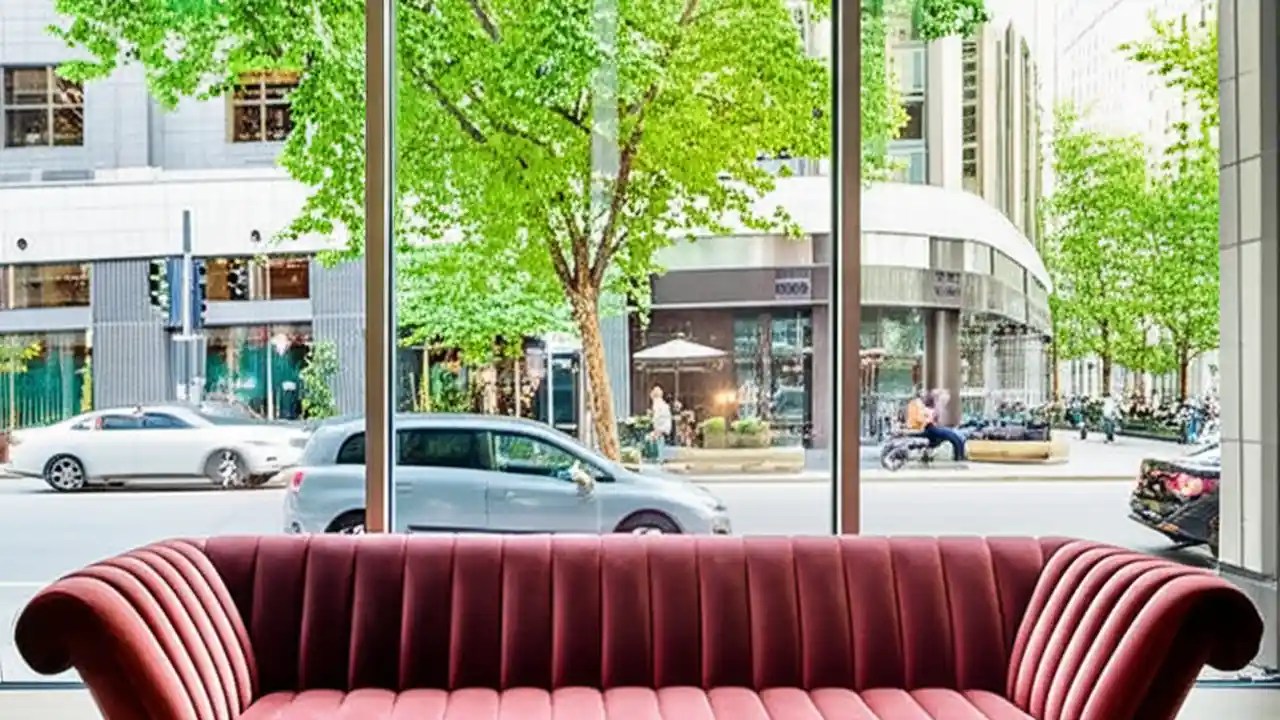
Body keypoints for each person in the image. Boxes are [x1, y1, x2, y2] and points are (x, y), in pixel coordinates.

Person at [921, 391, 966, 460]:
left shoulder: (935, 409)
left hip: (935, 428)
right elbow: (929, 422)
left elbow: (939, 422)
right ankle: (959, 457)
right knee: (955, 437)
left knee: (958, 437)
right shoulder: (927, 410)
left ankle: (960, 456)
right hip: (931, 428)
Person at [649, 384, 674, 457]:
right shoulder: (661, 403)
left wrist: (656, 427)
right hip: (665, 426)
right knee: (659, 440)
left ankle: (656, 456)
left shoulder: (657, 403)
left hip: (661, 427)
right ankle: (659, 456)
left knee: (652, 438)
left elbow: (657, 416)